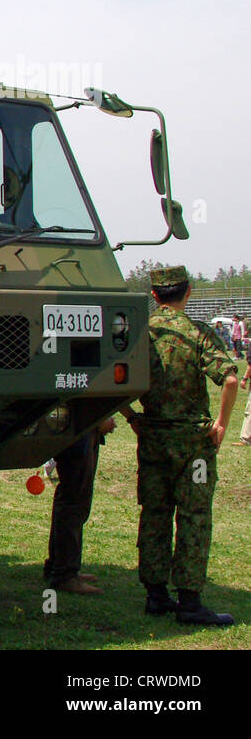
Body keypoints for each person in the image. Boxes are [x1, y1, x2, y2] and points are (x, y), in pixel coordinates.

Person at [119, 265, 239, 625]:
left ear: (154, 296)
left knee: (154, 514)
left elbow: (106, 379)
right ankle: (189, 602)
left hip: (152, 436)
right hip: (191, 444)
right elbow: (230, 380)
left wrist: (131, 418)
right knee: (193, 518)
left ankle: (156, 596)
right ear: (187, 292)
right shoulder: (197, 333)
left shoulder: (139, 333)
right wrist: (220, 425)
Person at [43, 416, 116, 594]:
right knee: (74, 500)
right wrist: (98, 419)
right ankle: (64, 574)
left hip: (83, 428)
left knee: (73, 498)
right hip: (79, 428)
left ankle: (58, 566)